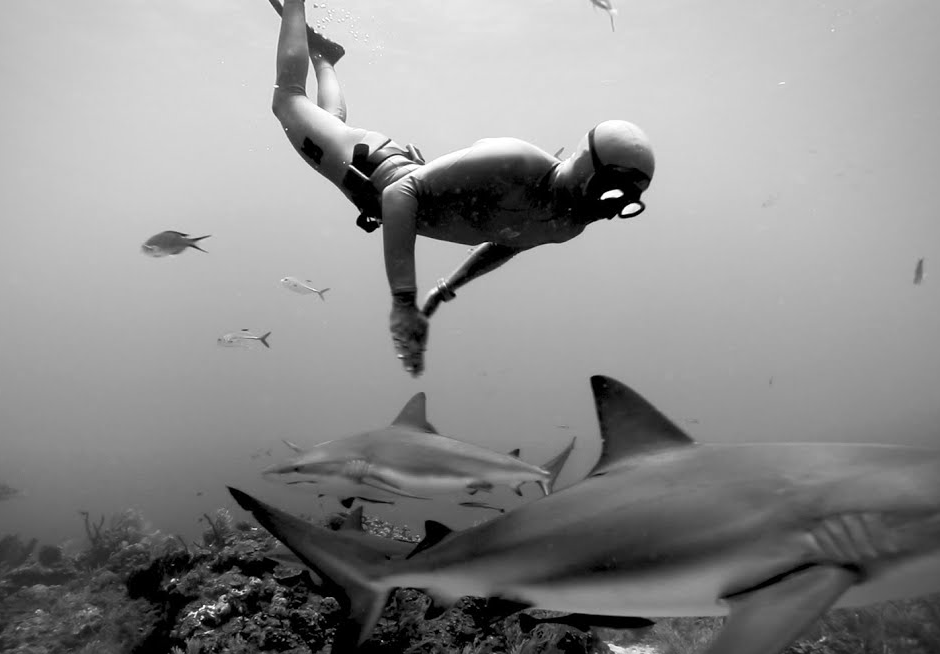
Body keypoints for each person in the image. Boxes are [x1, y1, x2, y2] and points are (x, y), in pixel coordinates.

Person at [267, 0, 655, 377]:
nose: (608, 209)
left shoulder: (568, 225)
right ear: (590, 169)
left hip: (396, 185)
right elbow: (399, 195)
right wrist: (403, 302)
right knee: (288, 99)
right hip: (366, 168)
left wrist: (444, 290)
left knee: (325, 120)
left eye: (623, 203)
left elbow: (509, 241)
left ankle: (326, 60)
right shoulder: (517, 162)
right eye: (610, 193)